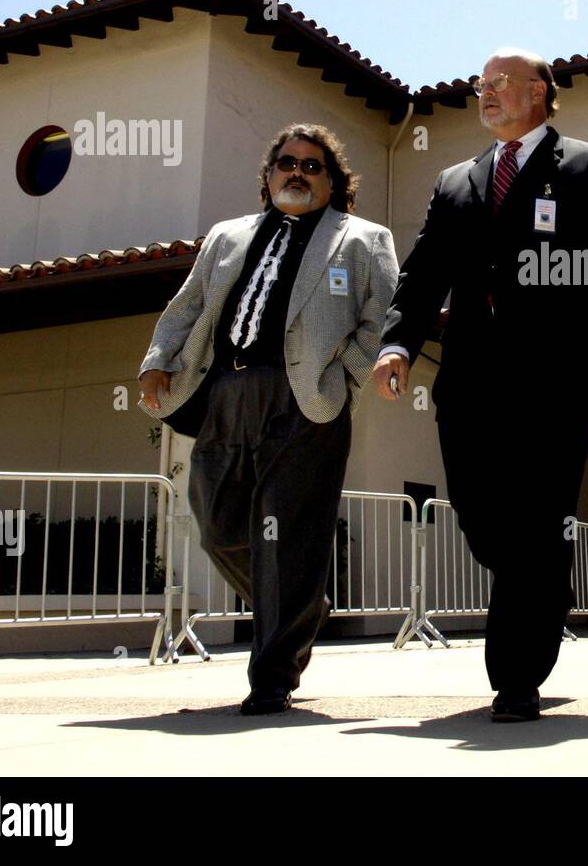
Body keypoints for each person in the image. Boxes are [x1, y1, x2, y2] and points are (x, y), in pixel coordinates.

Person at [373, 47, 588, 722]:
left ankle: (516, 675)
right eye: (481, 85)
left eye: (500, 82)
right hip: (470, 381)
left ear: (540, 91)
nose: (486, 92)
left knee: (535, 518)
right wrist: (397, 344)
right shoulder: (454, 183)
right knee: (481, 516)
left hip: (555, 380)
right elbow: (421, 275)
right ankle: (544, 586)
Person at [138, 124, 399, 715]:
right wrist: (158, 361)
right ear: (269, 173)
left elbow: (380, 318)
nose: (298, 172)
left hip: (306, 400)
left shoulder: (362, 239)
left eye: (313, 165)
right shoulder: (228, 236)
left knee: (286, 530)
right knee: (218, 525)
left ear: (333, 182)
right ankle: (298, 604)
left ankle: (272, 675)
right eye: (287, 162)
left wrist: (346, 376)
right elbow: (189, 306)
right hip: (225, 391)